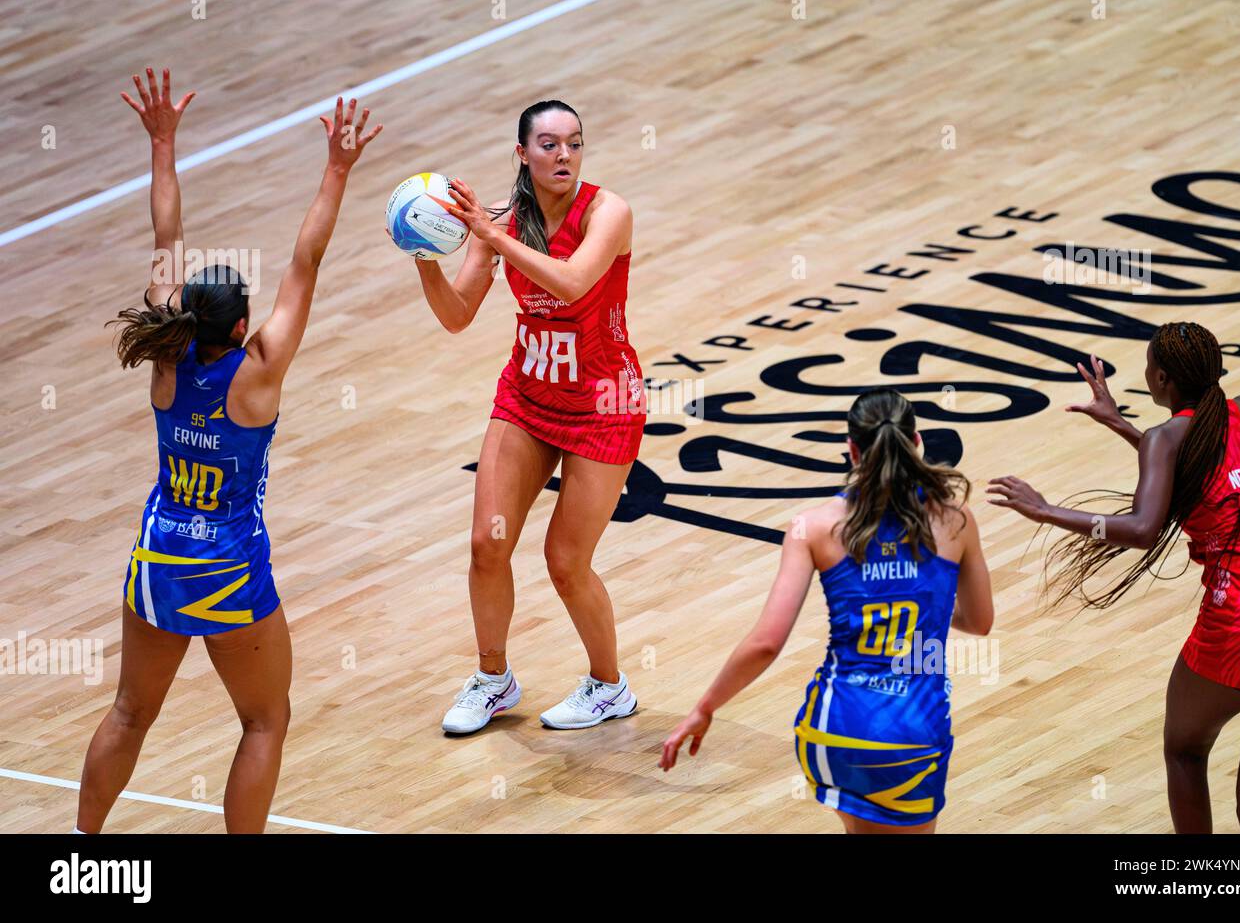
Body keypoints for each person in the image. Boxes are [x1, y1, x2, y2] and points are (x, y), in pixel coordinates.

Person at [77, 68, 380, 833]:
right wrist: (337, 168)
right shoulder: (260, 370)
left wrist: (163, 144)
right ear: (242, 328)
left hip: (157, 554)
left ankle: (78, 850)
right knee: (264, 721)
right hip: (227, 567)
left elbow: (166, 236)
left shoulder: (167, 358)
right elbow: (304, 262)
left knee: (130, 711)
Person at [989, 322, 1240, 833]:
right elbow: (1205, 474)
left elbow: (1141, 528)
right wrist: (1120, 425)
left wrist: (1046, 510)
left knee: (1184, 751)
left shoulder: (1165, 439)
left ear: (1160, 377)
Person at [405, 100, 645, 733]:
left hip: (603, 404)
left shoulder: (607, 212)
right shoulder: (505, 224)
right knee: (488, 542)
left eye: (574, 143)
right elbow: (457, 315)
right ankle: (493, 678)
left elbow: (571, 282)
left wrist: (494, 237)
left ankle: (608, 686)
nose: (563, 155)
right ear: (523, 154)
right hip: (528, 396)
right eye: (548, 144)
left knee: (566, 562)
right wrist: (424, 251)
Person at [661, 389, 994, 833]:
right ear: (916, 442)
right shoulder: (955, 518)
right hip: (908, 734)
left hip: (831, 727)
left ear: (852, 450)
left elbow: (765, 643)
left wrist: (705, 707)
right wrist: (924, 606)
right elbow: (979, 620)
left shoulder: (812, 526)